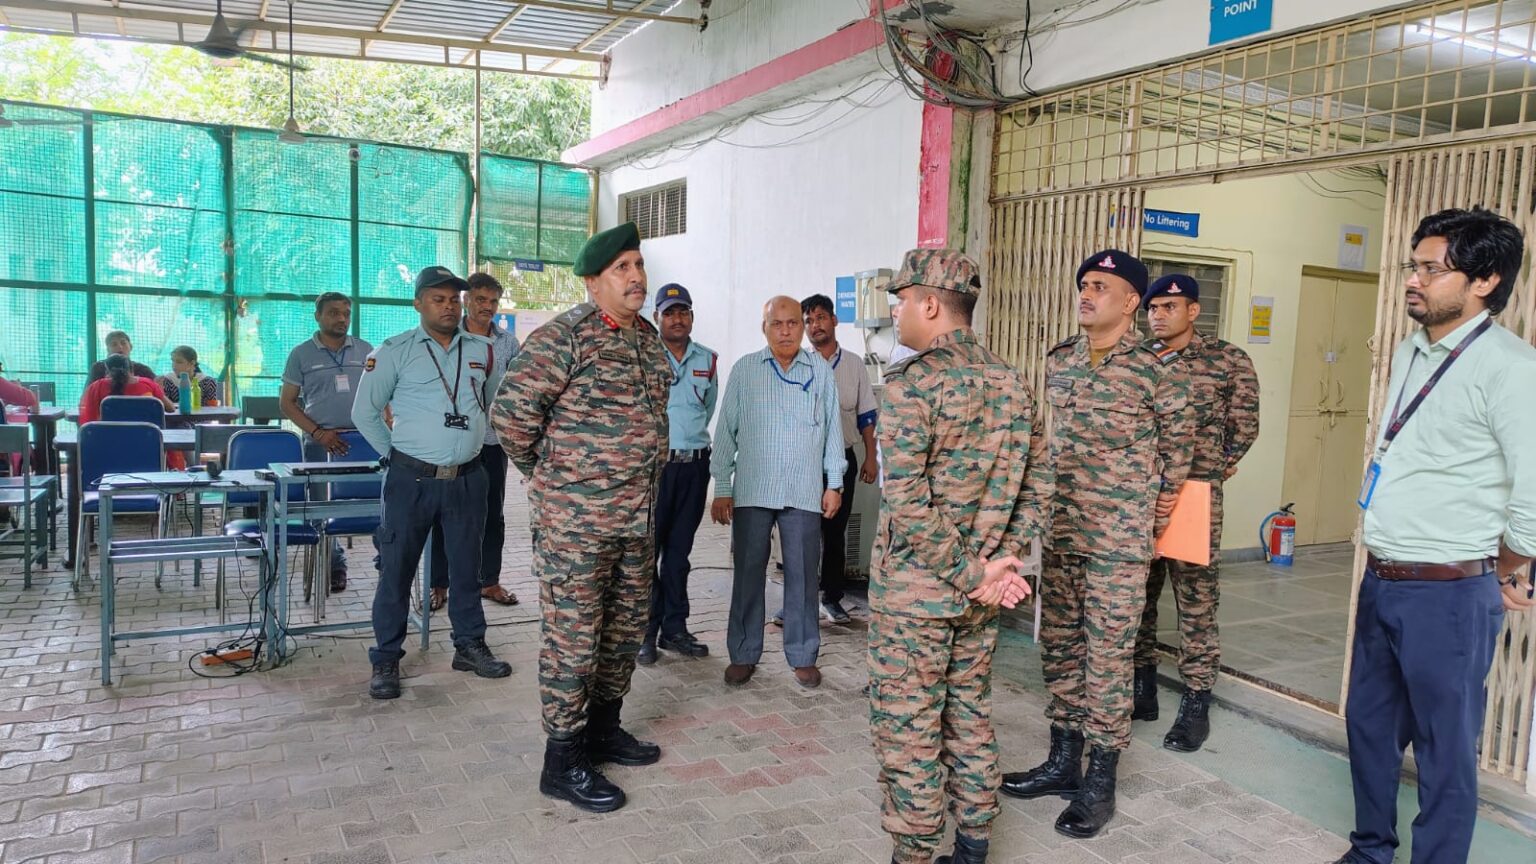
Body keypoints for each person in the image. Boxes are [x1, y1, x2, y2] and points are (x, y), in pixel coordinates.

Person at [1334, 207, 1536, 864]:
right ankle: (1370, 851)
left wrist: (1502, 570)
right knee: (1367, 728)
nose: (1413, 280)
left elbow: (1533, 493)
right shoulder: (1408, 349)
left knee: (1446, 751)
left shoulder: (1510, 368)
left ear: (1484, 280)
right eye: (1412, 266)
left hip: (1449, 594)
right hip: (1383, 580)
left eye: (1430, 268)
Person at [1000, 249, 1193, 840]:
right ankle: (1063, 761)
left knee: (1106, 658)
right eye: (1084, 284)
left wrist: (1153, 510)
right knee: (1058, 648)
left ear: (1132, 301)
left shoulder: (1158, 368)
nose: (1086, 294)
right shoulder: (1061, 359)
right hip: (1062, 532)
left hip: (1117, 541)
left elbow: (1178, 451)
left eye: (1101, 286)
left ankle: (1100, 782)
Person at [868, 249, 1049, 864]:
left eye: (900, 301)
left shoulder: (911, 385)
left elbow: (908, 501)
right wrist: (1002, 565)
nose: (895, 313)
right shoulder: (1013, 382)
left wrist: (975, 573)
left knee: (909, 731)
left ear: (929, 303)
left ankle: (915, 853)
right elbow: (1039, 482)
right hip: (980, 596)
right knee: (968, 714)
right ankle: (973, 848)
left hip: (917, 598)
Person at [492, 222, 670, 814]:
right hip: (576, 528)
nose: (636, 276)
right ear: (593, 282)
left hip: (636, 524)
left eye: (639, 264)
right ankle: (562, 761)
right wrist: (554, 479)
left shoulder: (646, 338)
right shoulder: (562, 338)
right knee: (574, 642)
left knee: (622, 636)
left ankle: (603, 730)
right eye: (621, 268)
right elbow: (512, 420)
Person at [352, 266, 511, 701]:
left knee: (466, 567)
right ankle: (386, 657)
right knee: (397, 569)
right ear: (418, 304)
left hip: (467, 478)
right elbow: (364, 413)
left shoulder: (482, 351)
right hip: (411, 480)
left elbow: (492, 400)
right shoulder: (394, 351)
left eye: (453, 300)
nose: (448, 306)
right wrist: (394, 455)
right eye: (438, 299)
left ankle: (469, 645)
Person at [1130, 274, 1260, 752]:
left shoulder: (1227, 361)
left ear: (1193, 311)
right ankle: (1141, 687)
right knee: (1139, 593)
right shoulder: (1139, 360)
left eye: (1168, 306)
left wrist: (1210, 471)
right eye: (1152, 308)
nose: (1157, 315)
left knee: (1196, 599)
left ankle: (1196, 700)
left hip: (1194, 497)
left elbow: (1245, 426)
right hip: (1140, 496)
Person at [711, 296, 844, 690]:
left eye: (792, 324)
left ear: (802, 328)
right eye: (777, 324)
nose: (785, 330)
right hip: (753, 489)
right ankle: (744, 652)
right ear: (764, 327)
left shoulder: (819, 371)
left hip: (803, 489)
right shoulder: (745, 370)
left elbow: (833, 430)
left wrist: (833, 483)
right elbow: (725, 432)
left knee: (803, 576)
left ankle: (803, 654)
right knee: (748, 574)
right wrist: (721, 485)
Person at [428, 273, 522, 610]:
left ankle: (489, 581)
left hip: (493, 442)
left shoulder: (508, 343)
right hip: (452, 442)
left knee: (492, 515)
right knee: (444, 513)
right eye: (480, 300)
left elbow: (518, 391)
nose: (487, 307)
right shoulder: (450, 335)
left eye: (493, 301)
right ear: (467, 301)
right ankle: (438, 583)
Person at [637, 283, 717, 666]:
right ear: (657, 318)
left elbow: (708, 409)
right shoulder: (642, 357)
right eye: (669, 312)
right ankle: (645, 633)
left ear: (691, 316)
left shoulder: (708, 360)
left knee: (679, 556)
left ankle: (675, 629)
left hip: (694, 469)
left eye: (683, 311)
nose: (677, 318)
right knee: (647, 554)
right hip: (655, 470)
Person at [281, 292, 374, 593]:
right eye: (334, 313)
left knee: (380, 505)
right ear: (318, 316)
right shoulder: (301, 354)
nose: (342, 319)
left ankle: (389, 561)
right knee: (324, 509)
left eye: (346, 313)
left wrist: (384, 423)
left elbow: (381, 392)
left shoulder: (366, 350)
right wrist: (319, 433)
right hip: (322, 442)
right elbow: (287, 403)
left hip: (363, 442)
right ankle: (335, 565)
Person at [802, 293, 877, 624]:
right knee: (801, 532)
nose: (814, 325)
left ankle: (831, 598)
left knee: (835, 534)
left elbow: (866, 417)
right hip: (804, 462)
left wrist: (871, 458)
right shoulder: (799, 363)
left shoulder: (854, 365)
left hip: (842, 461)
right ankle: (799, 601)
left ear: (834, 320)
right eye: (808, 320)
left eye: (820, 317)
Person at [78, 352, 173, 424]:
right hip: (146, 443)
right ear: (131, 369)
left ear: (106, 370)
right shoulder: (148, 384)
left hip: (108, 444)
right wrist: (160, 391)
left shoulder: (96, 386)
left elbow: (89, 416)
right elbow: (171, 408)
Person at [87, 331, 155, 384]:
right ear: (108, 350)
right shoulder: (98, 368)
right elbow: (87, 396)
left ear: (131, 347)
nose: (119, 347)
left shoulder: (142, 369)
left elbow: (157, 389)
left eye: (123, 343)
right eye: (114, 344)